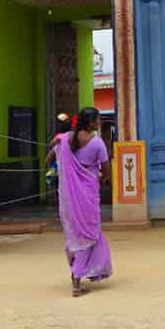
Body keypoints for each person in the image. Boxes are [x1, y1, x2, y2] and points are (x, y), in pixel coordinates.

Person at [45, 107, 112, 296]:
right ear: (90, 123)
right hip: (88, 195)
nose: (98, 123)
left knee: (74, 233)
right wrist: (95, 178)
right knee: (89, 233)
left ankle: (81, 272)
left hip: (68, 197)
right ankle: (76, 279)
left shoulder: (64, 139)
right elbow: (106, 172)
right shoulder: (97, 143)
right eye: (97, 120)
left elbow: (48, 160)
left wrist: (57, 145)